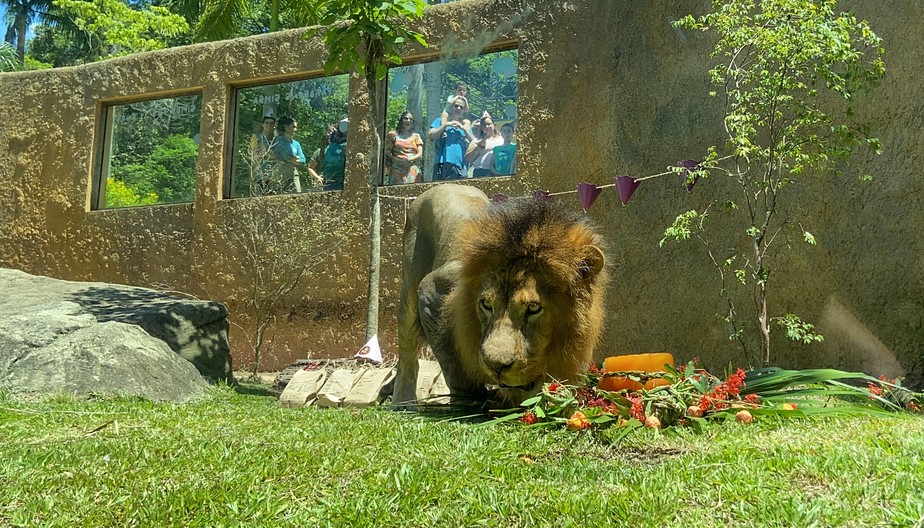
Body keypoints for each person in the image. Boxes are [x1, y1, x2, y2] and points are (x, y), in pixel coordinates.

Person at [429, 95, 477, 181]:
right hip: (443, 163)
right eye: (456, 106)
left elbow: (475, 142)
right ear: (451, 107)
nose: (458, 108)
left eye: (461, 107)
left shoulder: (465, 126)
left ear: (463, 111)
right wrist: (445, 125)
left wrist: (464, 130)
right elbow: (431, 136)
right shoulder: (440, 121)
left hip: (461, 166)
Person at [308, 118, 348, 191]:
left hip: (341, 182)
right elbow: (310, 167)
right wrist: (317, 178)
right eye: (328, 131)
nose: (329, 134)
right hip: (327, 182)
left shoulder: (344, 147)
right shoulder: (321, 151)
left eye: (332, 131)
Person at [268, 116, 305, 193]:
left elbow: (303, 160)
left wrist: (294, 160)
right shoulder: (279, 140)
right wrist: (292, 159)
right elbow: (285, 155)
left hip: (293, 174)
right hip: (280, 174)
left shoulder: (296, 144)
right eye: (293, 127)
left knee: (297, 196)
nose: (295, 129)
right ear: (286, 127)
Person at [385, 111, 424, 184]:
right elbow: (387, 152)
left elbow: (420, 154)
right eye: (406, 118)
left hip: (412, 168)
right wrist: (398, 160)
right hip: (396, 168)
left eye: (411, 119)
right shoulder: (393, 135)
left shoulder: (416, 136)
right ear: (401, 120)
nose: (408, 121)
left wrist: (409, 159)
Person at [464, 113, 505, 178]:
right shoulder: (477, 140)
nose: (487, 127)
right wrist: (479, 146)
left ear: (494, 125)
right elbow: (469, 159)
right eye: (484, 125)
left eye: (489, 124)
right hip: (480, 171)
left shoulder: (501, 139)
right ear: (481, 128)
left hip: (498, 170)